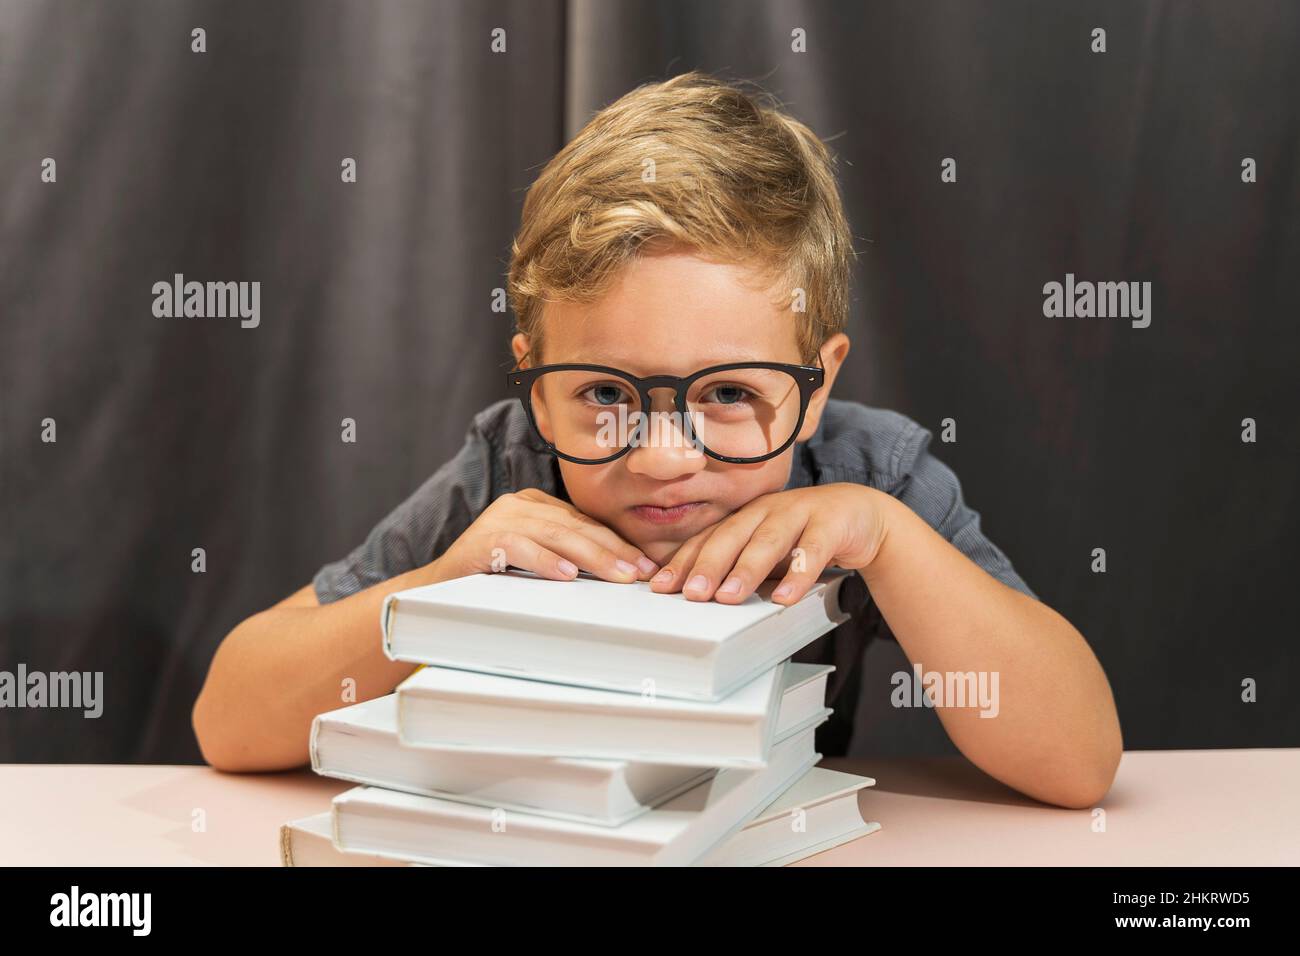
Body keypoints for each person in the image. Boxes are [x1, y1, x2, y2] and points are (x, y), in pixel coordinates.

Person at [193, 72, 1121, 808]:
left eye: (726, 393)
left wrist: (887, 541)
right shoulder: (510, 472)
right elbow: (230, 721)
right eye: (602, 392)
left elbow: (1078, 762)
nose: (664, 457)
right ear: (537, 391)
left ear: (817, 384)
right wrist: (442, 588)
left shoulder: (863, 480)